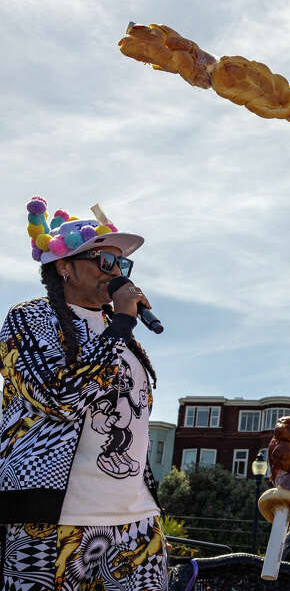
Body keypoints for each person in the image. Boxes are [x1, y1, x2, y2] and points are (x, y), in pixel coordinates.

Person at [0, 197, 165, 590]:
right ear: (64, 267)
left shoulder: (119, 334)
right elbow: (61, 398)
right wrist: (122, 321)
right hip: (51, 520)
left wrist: (119, 325)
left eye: (121, 264)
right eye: (104, 262)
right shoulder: (29, 319)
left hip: (136, 523)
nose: (116, 273)